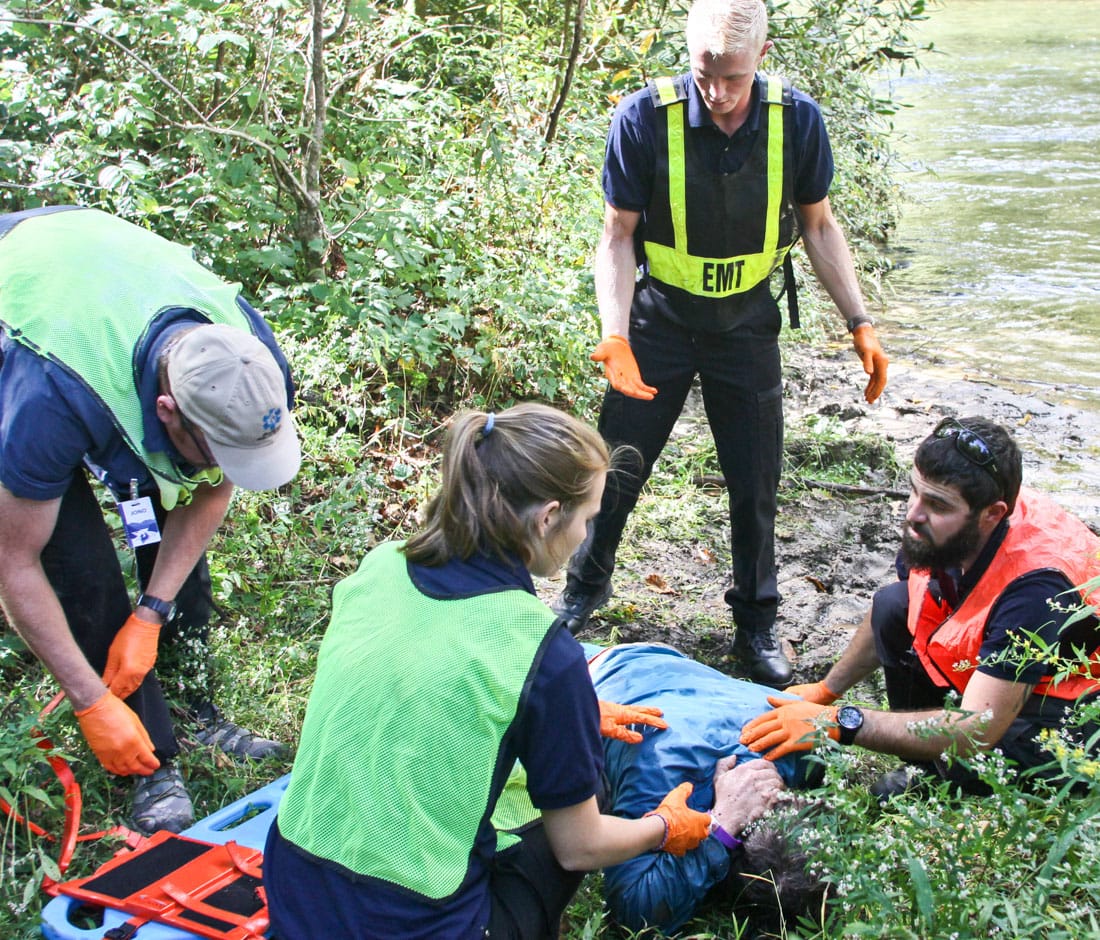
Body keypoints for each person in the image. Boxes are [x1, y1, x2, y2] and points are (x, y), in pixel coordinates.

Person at [263, 404, 714, 940]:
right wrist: (664, 828)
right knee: (590, 786)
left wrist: (566, 716)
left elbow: (414, 682)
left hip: (296, 895)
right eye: (588, 519)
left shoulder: (382, 564)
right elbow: (580, 848)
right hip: (413, 928)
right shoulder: (540, 649)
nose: (585, 537)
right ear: (548, 518)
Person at [554, 0, 889, 688]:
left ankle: (756, 624)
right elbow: (617, 237)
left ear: (761, 58)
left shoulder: (797, 120)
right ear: (690, 55)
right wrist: (613, 334)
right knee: (617, 463)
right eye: (706, 74)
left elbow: (820, 228)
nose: (719, 92)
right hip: (659, 323)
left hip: (746, 327)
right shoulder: (646, 118)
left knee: (755, 478)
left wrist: (860, 320)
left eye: (733, 77)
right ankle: (584, 587)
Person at [0, 205, 302, 834]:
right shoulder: (46, 401)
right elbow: (14, 561)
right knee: (82, 576)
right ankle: (146, 762)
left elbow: (212, 488)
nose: (227, 466)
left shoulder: (249, 364)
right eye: (216, 448)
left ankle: (198, 714)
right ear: (167, 411)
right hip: (30, 322)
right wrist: (87, 702)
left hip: (98, 281)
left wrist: (154, 611)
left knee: (169, 552)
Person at [741, 416, 1100, 798]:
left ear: (992, 514)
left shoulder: (1035, 588)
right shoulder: (949, 522)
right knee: (893, 605)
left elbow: (978, 729)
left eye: (936, 504)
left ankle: (946, 776)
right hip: (1002, 669)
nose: (913, 513)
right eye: (915, 492)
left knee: (910, 785)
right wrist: (828, 691)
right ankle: (927, 759)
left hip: (1071, 708)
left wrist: (841, 722)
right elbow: (900, 605)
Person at [585, 642, 823, 935]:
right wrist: (720, 827)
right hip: (582, 678)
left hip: (659, 664)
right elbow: (633, 914)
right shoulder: (668, 778)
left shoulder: (804, 750)